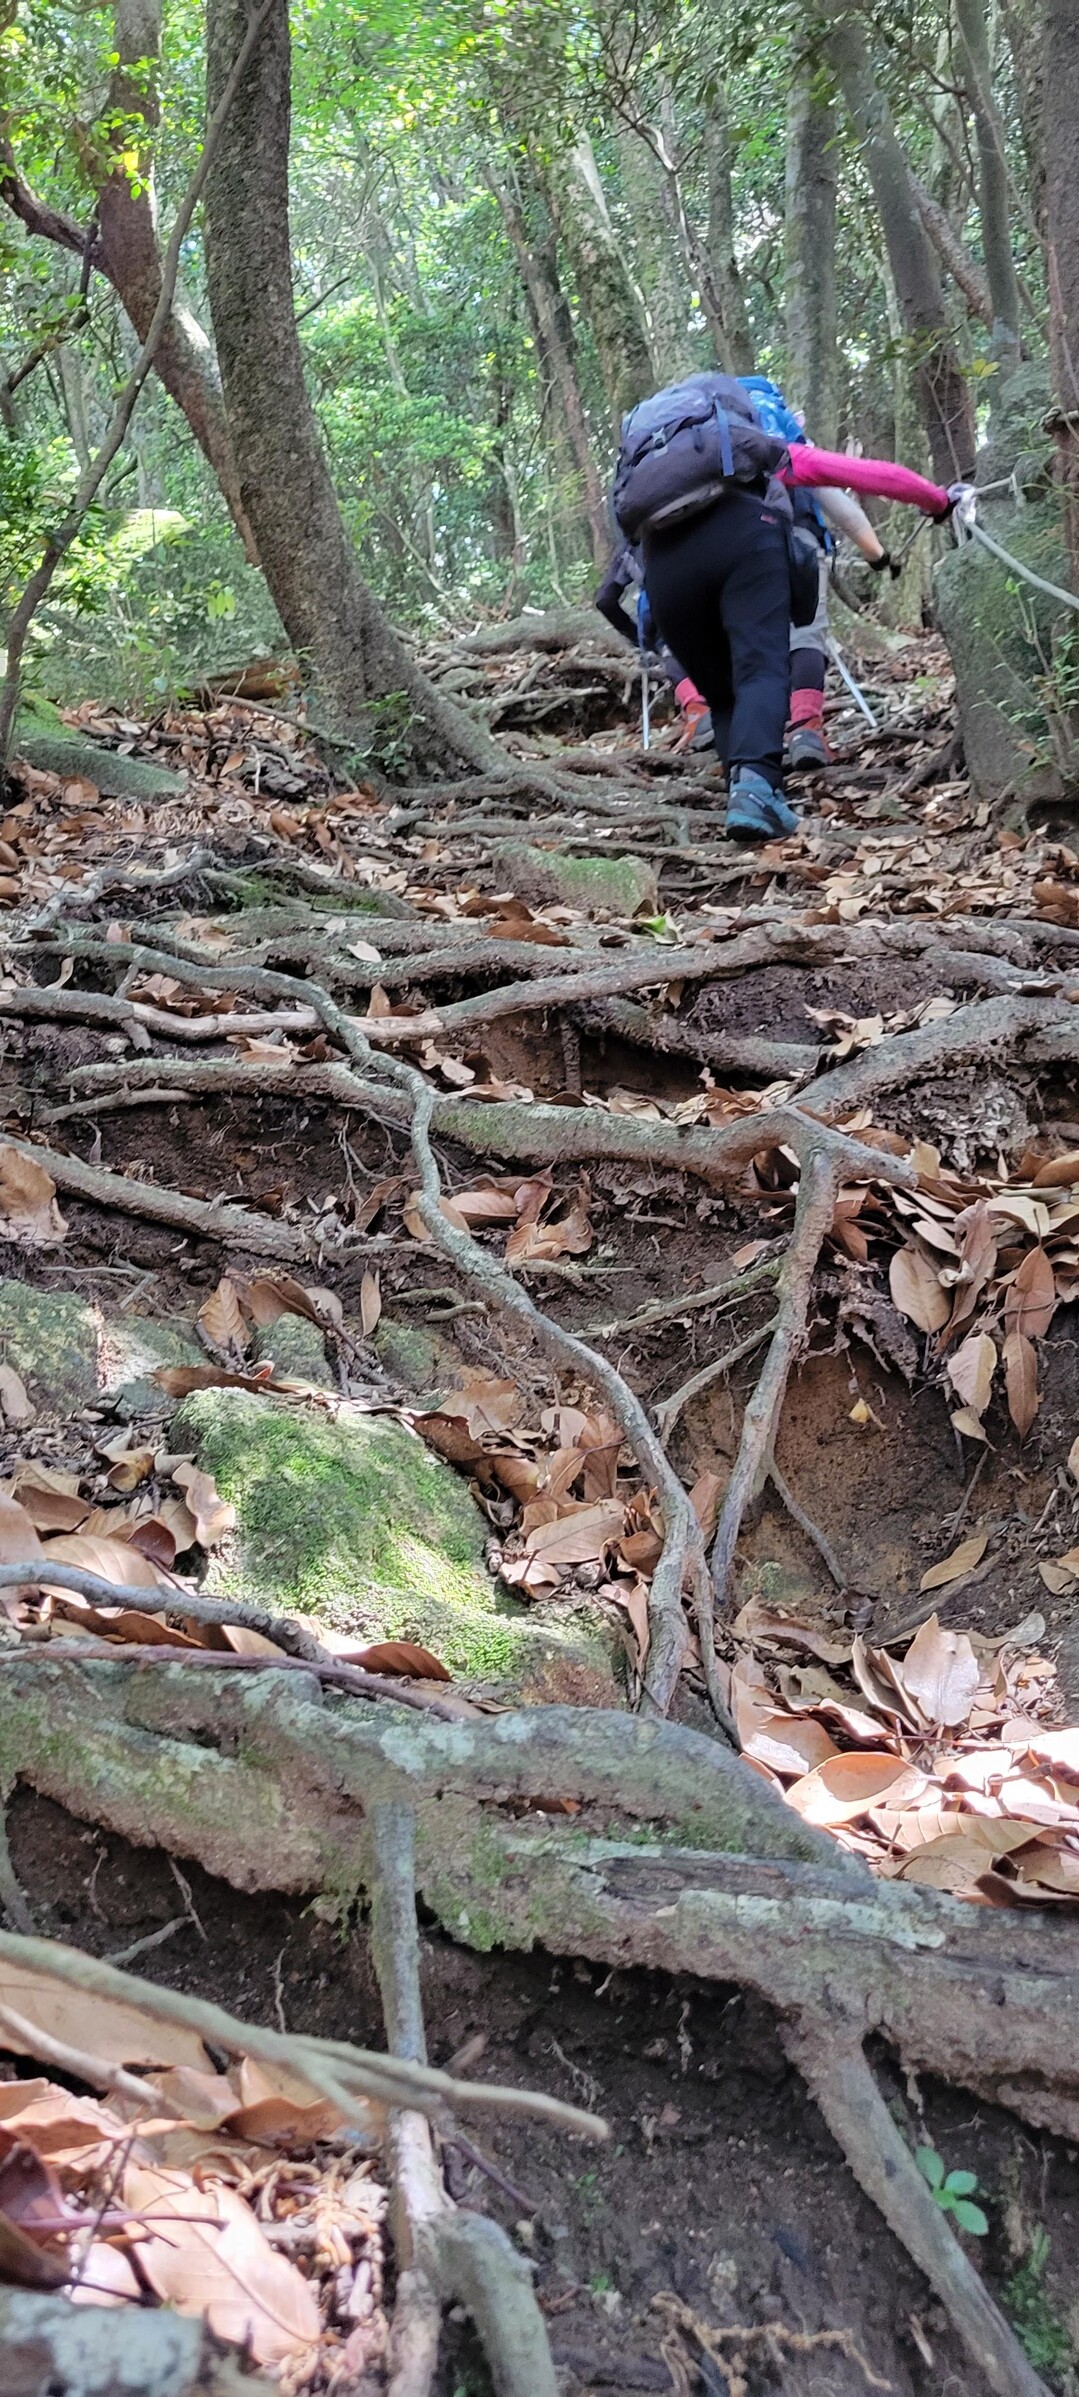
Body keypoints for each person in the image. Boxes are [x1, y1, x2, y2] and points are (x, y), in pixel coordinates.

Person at [613, 370, 959, 843]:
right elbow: (866, 477)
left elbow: (615, 574)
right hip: (745, 540)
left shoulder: (648, 484)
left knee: (723, 692)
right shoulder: (754, 448)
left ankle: (748, 791)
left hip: (665, 569)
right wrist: (938, 500)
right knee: (760, 668)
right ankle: (756, 789)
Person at [738, 375, 901, 770]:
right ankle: (806, 730)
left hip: (733, 551)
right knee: (806, 634)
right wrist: (878, 556)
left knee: (747, 644)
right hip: (797, 542)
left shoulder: (712, 451)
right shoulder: (791, 444)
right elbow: (843, 510)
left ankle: (745, 751)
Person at [594, 539, 713, 749]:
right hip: (715, 588)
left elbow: (605, 600)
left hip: (662, 605)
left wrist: (636, 637)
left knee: (666, 644)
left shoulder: (632, 542)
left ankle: (697, 707)